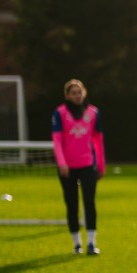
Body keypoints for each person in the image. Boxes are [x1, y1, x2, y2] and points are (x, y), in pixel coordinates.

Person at [51, 78, 105, 255]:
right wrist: (62, 163)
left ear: (84, 93)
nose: (77, 96)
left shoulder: (93, 112)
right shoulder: (60, 113)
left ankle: (91, 242)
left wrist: (101, 164)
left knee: (89, 202)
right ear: (67, 95)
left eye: (79, 92)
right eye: (73, 93)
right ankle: (76, 243)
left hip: (88, 165)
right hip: (68, 168)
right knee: (72, 204)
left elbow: (98, 140)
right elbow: (57, 140)